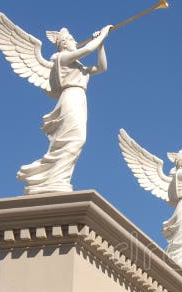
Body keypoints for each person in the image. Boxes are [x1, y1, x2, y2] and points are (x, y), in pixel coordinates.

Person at [17, 25, 112, 194]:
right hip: (70, 97)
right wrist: (102, 35)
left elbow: (102, 67)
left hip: (80, 99)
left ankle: (56, 178)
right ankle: (54, 179)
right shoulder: (62, 58)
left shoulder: (79, 67)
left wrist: (101, 45)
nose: (74, 41)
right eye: (70, 39)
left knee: (77, 139)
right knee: (75, 139)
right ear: (63, 45)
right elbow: (87, 49)